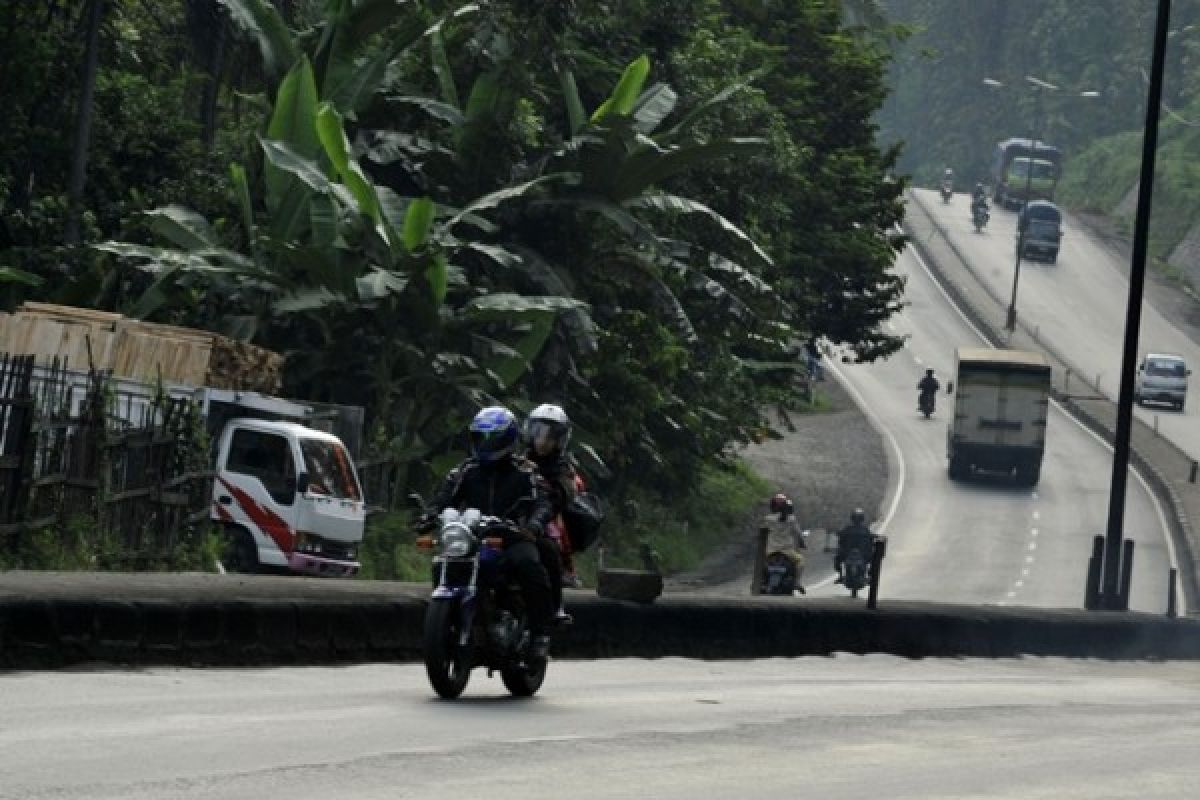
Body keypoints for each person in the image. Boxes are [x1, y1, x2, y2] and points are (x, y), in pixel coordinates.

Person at [427, 406, 557, 659]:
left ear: (507, 439)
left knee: (528, 564)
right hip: (473, 537)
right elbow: (444, 498)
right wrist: (430, 515)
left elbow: (543, 501)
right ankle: (457, 621)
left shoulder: (526, 471)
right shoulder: (466, 470)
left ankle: (540, 633)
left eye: (492, 438)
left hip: (512, 536)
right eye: (480, 437)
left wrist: (533, 524)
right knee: (443, 561)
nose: (484, 444)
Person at [523, 403, 581, 620]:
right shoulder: (517, 459)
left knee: (550, 550)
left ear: (560, 440)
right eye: (538, 433)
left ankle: (556, 606)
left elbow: (564, 494)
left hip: (545, 516)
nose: (542, 441)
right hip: (515, 513)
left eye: (550, 437)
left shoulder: (562, 467)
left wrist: (548, 491)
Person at [762, 493, 807, 594]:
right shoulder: (791, 519)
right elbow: (798, 533)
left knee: (761, 563)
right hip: (787, 552)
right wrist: (803, 543)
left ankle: (760, 582)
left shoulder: (768, 519)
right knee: (801, 561)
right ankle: (797, 583)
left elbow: (763, 532)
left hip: (770, 551)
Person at [834, 508, 876, 584]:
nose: (857, 520)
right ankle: (840, 576)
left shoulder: (853, 529)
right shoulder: (862, 529)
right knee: (837, 557)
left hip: (859, 553)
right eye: (856, 518)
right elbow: (841, 537)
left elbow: (871, 539)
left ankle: (840, 576)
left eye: (858, 518)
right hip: (850, 553)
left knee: (874, 559)